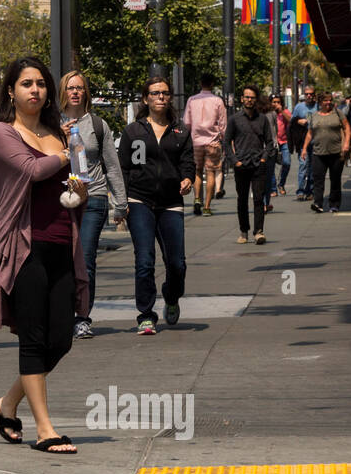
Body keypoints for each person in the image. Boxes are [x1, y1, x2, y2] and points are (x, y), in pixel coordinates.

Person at [0, 55, 90, 454]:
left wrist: (78, 189)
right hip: (25, 247)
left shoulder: (56, 133)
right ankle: (45, 429)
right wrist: (67, 155)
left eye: (41, 84)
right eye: (26, 83)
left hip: (63, 243)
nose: (35, 90)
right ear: (11, 91)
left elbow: (76, 181)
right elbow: (32, 171)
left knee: (60, 339)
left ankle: (7, 404)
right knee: (33, 338)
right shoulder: (1, 132)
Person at [118, 75, 195, 335]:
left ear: (170, 97)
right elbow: (124, 169)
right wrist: (122, 202)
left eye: (164, 93)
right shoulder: (134, 131)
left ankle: (171, 297)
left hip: (171, 202)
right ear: (145, 99)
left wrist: (188, 179)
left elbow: (188, 163)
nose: (160, 97)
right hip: (140, 200)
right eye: (154, 93)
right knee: (144, 260)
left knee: (177, 264)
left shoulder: (180, 131)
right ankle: (146, 315)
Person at [58, 69, 127, 340]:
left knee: (85, 260)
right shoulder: (51, 123)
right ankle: (62, 313)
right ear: (62, 92)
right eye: (70, 87)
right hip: (60, 200)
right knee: (62, 260)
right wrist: (59, 136)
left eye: (80, 87)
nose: (75, 92)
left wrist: (120, 203)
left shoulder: (98, 125)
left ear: (86, 92)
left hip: (93, 196)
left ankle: (82, 318)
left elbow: (112, 165)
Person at [225, 84, 276, 245]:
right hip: (241, 165)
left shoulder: (262, 119)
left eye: (252, 97)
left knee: (259, 199)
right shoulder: (234, 119)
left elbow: (269, 142)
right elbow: (226, 142)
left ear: (256, 100)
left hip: (258, 164)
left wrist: (263, 159)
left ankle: (259, 231)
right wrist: (235, 161)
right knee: (242, 199)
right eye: (246, 97)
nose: (249, 100)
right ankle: (243, 231)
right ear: (242, 99)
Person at [183, 73, 227, 217]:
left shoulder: (191, 100)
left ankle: (197, 199)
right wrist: (225, 140)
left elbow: (187, 123)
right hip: (212, 142)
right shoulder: (218, 101)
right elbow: (223, 124)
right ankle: (207, 206)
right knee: (211, 172)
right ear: (212, 84)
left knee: (196, 171)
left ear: (200, 83)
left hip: (195, 142)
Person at [301, 89, 351, 214]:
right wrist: (304, 149)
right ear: (320, 102)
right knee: (318, 179)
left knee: (335, 179)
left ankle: (334, 204)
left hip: (336, 152)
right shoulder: (314, 116)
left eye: (330, 100)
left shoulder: (337, 113)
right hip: (318, 153)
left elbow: (347, 127)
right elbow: (309, 133)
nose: (328, 103)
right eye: (325, 100)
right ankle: (318, 203)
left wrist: (346, 144)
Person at [289, 85, 317, 200]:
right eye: (307, 94)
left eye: (311, 94)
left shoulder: (318, 107)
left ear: (314, 95)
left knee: (313, 168)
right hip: (302, 142)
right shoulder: (299, 107)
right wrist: (298, 121)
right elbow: (292, 123)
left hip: (316, 142)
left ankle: (310, 190)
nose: (309, 96)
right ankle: (300, 190)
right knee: (303, 165)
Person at [260, 94, 280, 212]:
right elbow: (275, 130)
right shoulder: (272, 113)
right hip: (271, 148)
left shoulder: (255, 115)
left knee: (258, 177)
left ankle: (260, 202)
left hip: (258, 149)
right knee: (268, 177)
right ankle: (266, 203)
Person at [271, 92, 292, 195]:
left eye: (278, 102)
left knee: (287, 163)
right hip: (272, 142)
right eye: (274, 102)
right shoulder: (269, 113)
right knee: (270, 166)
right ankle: (273, 189)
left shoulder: (285, 111)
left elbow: (291, 121)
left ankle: (281, 183)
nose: (276, 104)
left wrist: (282, 111)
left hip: (284, 142)